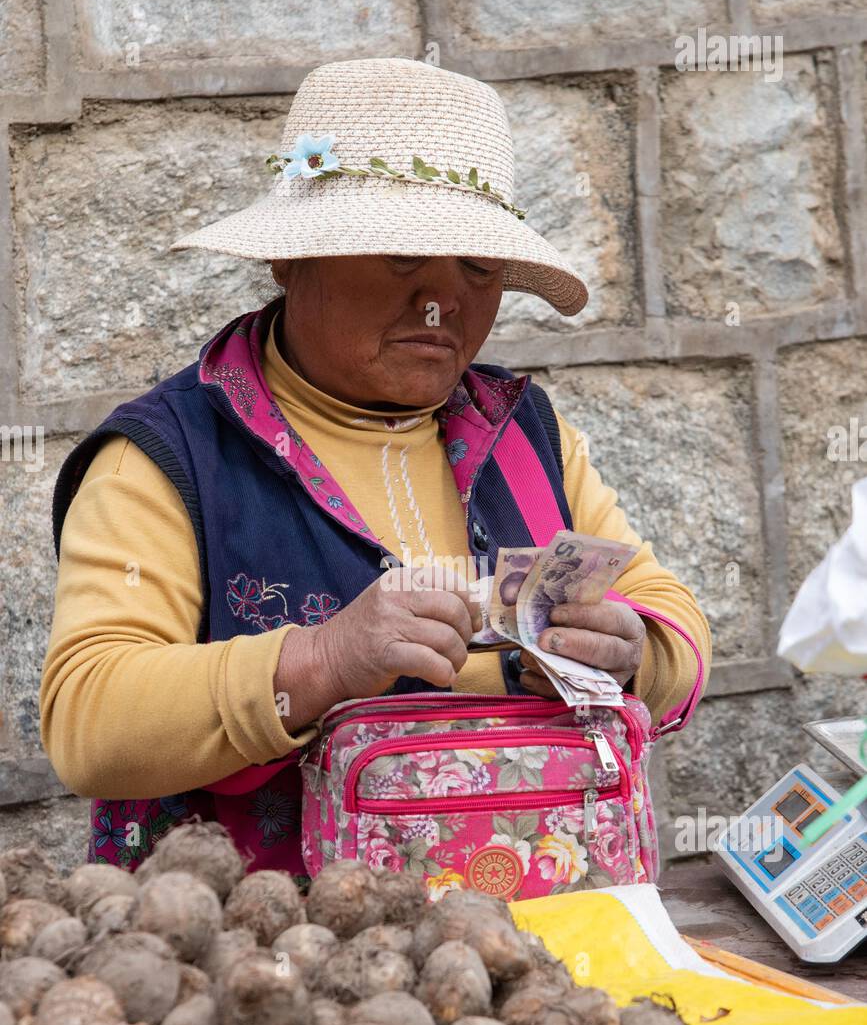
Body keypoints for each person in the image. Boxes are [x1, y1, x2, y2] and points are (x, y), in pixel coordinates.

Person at [40, 56, 711, 875]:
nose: (441, 301)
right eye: (401, 255)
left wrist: (636, 650)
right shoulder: (167, 458)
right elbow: (90, 721)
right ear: (290, 261)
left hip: (544, 931)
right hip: (275, 959)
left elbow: (664, 609)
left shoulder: (526, 436)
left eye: (475, 266)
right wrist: (321, 660)